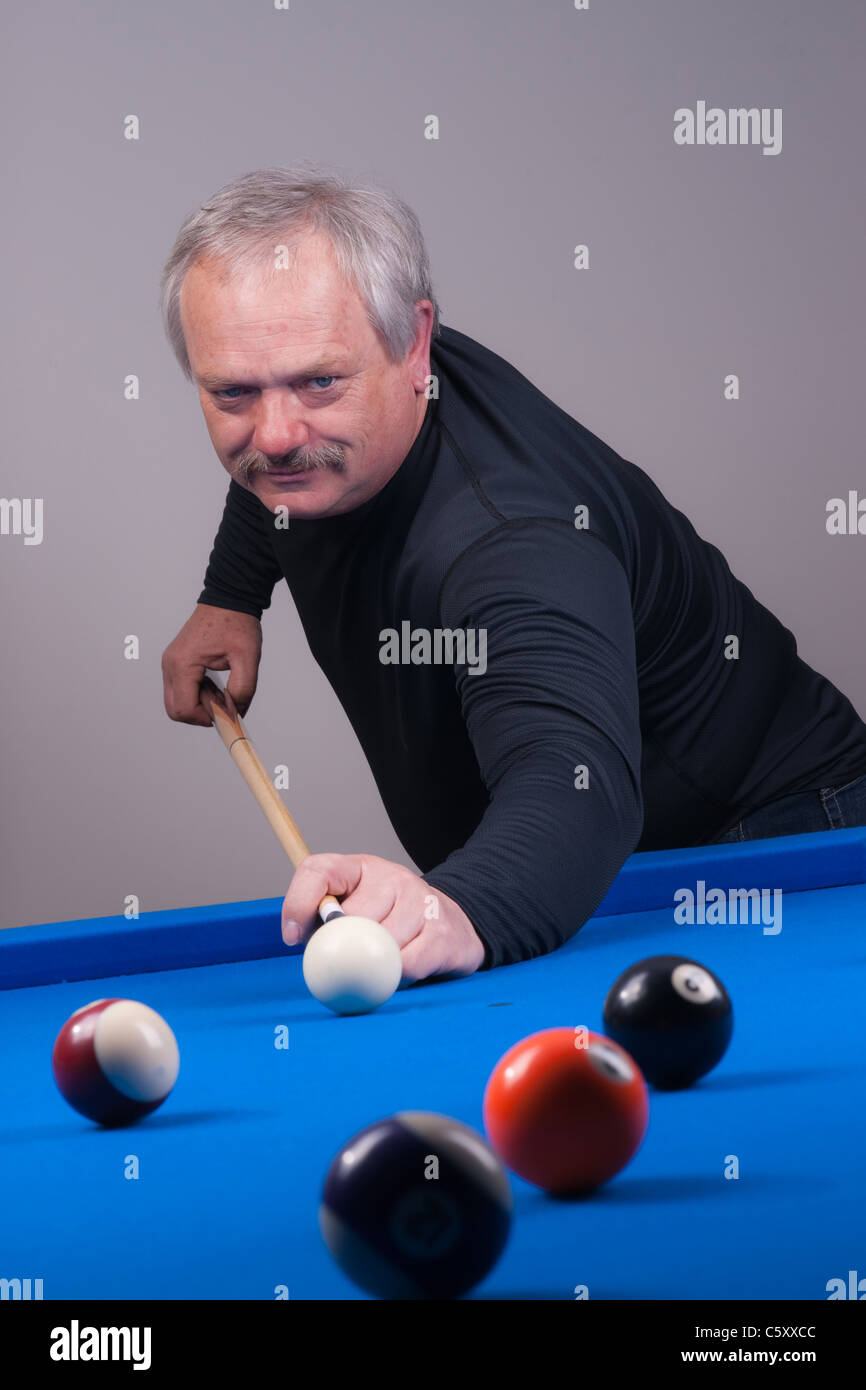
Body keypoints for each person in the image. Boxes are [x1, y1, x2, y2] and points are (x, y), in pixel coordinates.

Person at [159, 165, 866, 976]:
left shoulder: (515, 543)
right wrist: (232, 594)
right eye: (233, 392)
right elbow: (278, 462)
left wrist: (459, 907)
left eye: (319, 382)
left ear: (413, 342)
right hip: (585, 863)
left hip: (765, 847)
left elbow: (574, 782)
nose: (277, 433)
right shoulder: (345, 394)